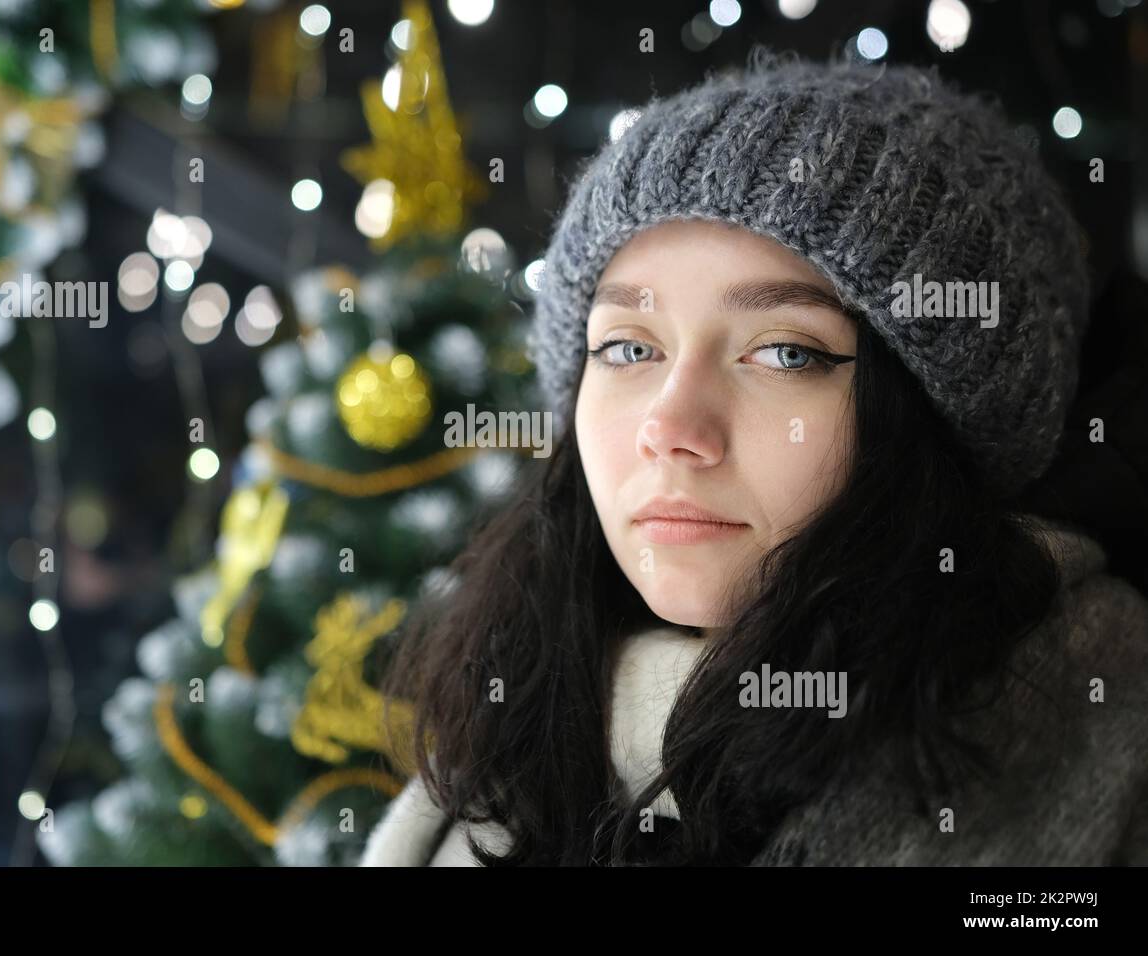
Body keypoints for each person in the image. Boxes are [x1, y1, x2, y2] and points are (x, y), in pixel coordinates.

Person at [359, 51, 1148, 866]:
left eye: (786, 355)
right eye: (629, 347)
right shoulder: (503, 740)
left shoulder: (1090, 722)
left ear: (933, 431)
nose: (670, 426)